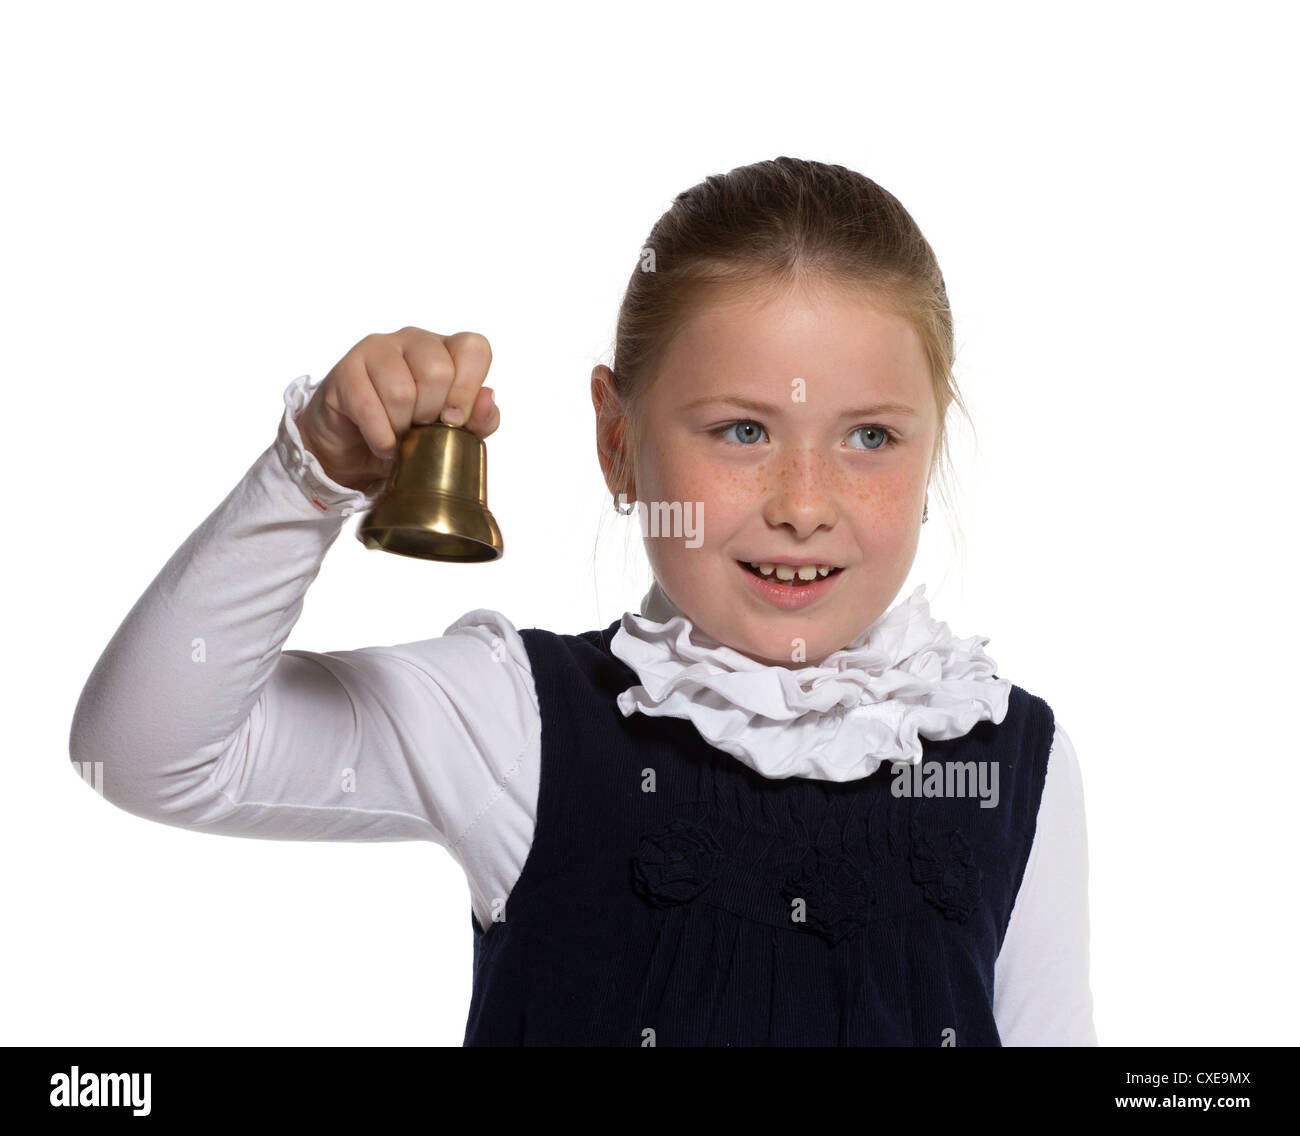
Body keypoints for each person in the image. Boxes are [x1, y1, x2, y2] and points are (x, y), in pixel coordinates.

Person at [70, 156, 1097, 1046]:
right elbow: (149, 751)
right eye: (740, 431)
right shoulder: (520, 722)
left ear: (931, 450)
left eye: (869, 436)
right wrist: (310, 476)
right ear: (617, 441)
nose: (802, 504)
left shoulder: (1011, 760)